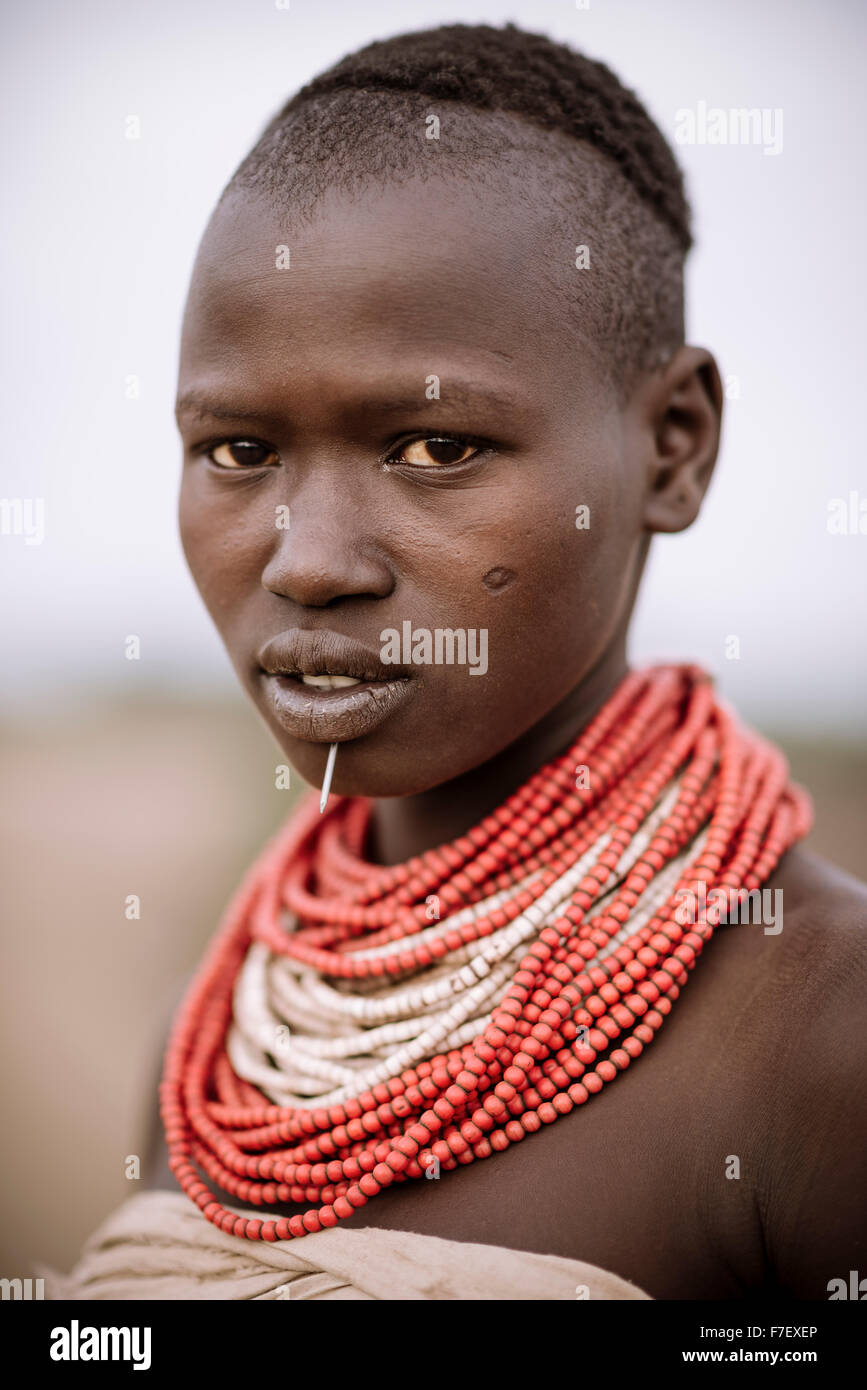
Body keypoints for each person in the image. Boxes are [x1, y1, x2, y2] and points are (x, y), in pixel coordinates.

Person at [50, 22, 867, 1301]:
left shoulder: (822, 1036)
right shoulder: (217, 1056)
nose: (308, 562)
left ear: (673, 448)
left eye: (434, 448)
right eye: (239, 452)